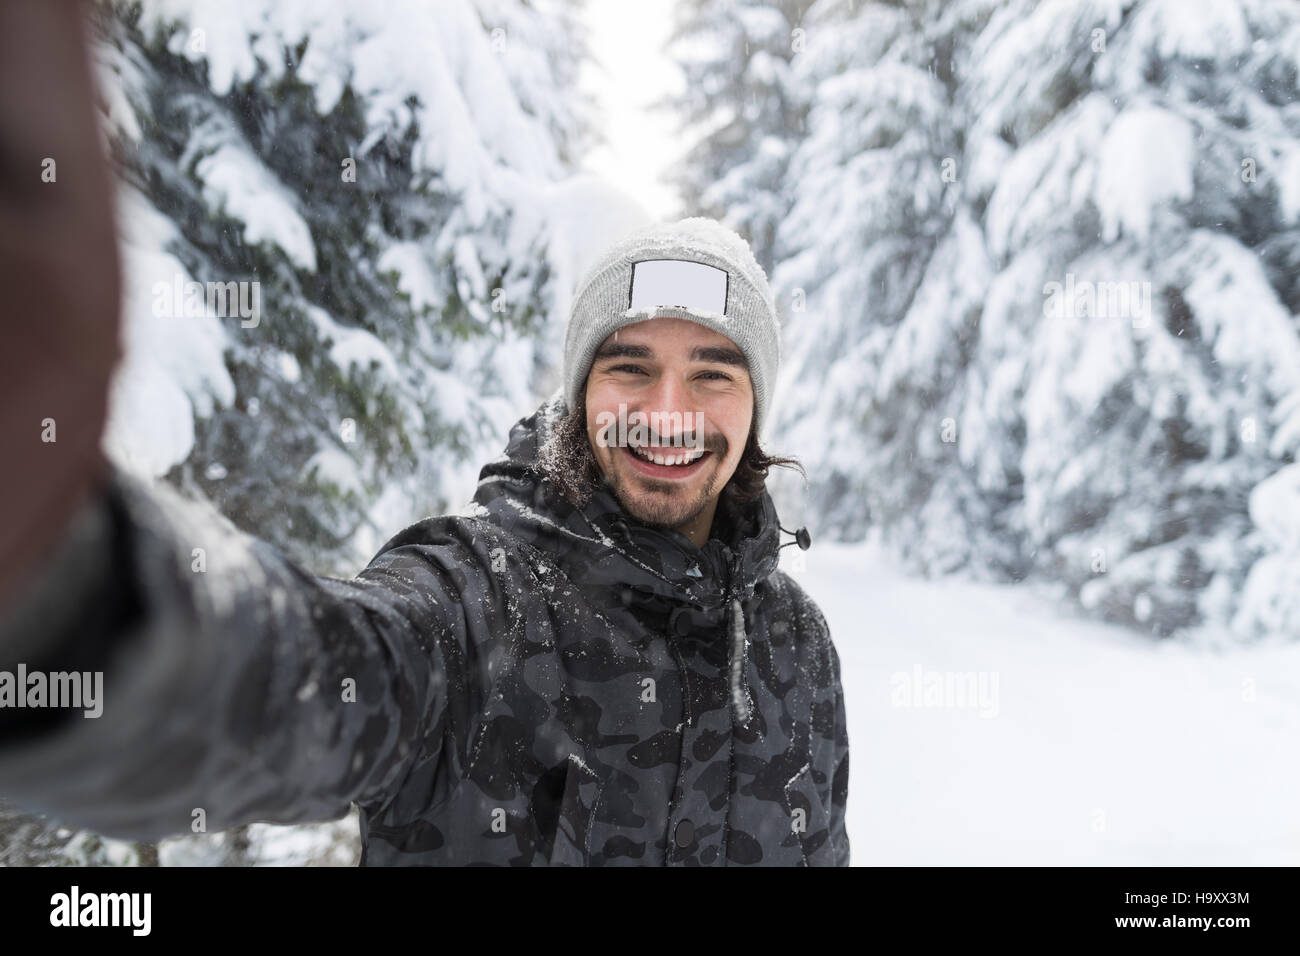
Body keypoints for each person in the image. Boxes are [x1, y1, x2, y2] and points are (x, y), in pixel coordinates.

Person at [0, 1, 849, 867]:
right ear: (578, 391)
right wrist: (64, 591)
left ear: (756, 409)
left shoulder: (797, 647)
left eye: (713, 373)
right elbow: (285, 683)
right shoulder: (471, 604)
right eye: (628, 366)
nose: (666, 409)